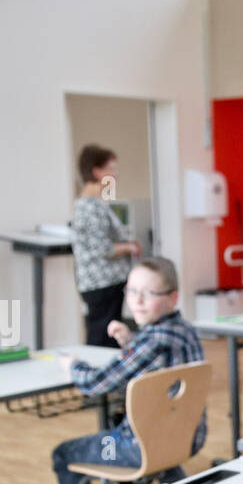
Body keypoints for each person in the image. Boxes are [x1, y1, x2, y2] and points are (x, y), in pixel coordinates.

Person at [51, 256, 207, 484]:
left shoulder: (152, 341)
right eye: (132, 291)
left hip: (134, 447)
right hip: (185, 438)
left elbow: (95, 383)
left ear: (173, 297)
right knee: (157, 437)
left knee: (63, 454)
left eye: (149, 293)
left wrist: (73, 365)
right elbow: (155, 365)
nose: (137, 300)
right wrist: (130, 342)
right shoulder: (186, 331)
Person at [71, 144, 142, 349]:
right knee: (101, 337)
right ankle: (94, 378)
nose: (115, 175)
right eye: (111, 169)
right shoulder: (89, 206)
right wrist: (128, 247)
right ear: (96, 171)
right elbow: (102, 248)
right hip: (101, 283)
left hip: (109, 282)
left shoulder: (97, 203)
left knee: (110, 336)